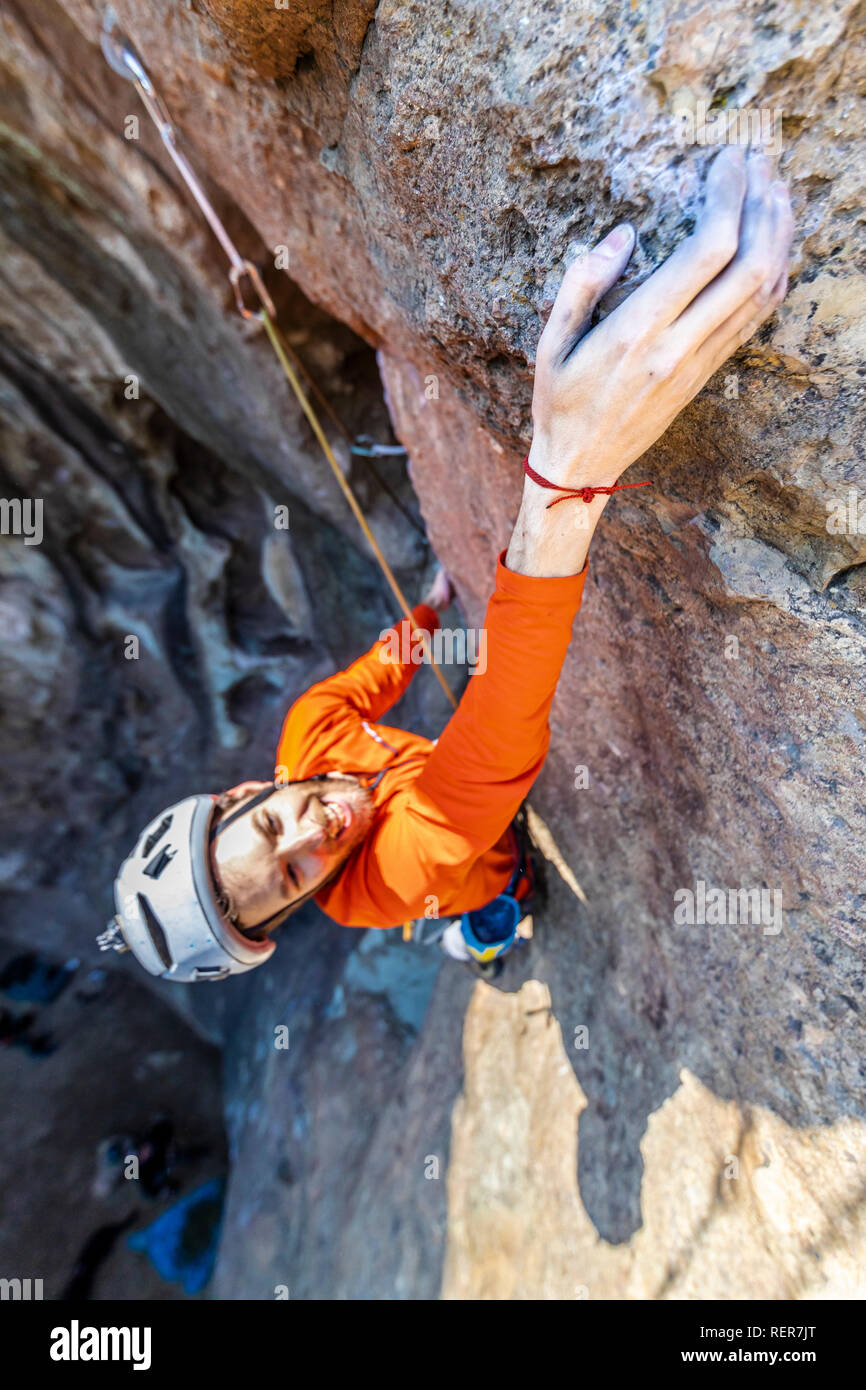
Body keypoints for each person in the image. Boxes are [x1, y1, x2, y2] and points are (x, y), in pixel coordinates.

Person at [102, 148, 793, 983]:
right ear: (287, 915)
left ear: (238, 796)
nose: (312, 833)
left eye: (269, 827)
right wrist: (564, 477)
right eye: (291, 876)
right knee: (495, 896)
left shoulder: (306, 736)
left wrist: (429, 614)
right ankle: (488, 931)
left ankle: (482, 930)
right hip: (472, 856)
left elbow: (372, 679)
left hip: (459, 801)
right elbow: (498, 734)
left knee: (475, 849)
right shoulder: (383, 883)